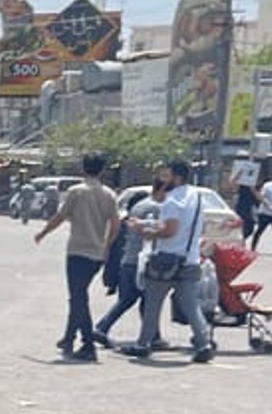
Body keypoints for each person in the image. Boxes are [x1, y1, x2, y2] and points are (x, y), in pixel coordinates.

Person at [121, 160, 214, 364]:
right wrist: (148, 223)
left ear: (176, 177)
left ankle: (143, 344)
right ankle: (203, 344)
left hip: (166, 260)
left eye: (166, 176)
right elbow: (186, 226)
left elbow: (169, 230)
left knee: (153, 303)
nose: (163, 180)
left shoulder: (172, 201)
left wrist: (145, 231)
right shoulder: (197, 197)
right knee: (191, 306)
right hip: (190, 259)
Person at [33, 152, 117, 361]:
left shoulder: (77, 192)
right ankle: (69, 338)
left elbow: (60, 217)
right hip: (97, 253)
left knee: (78, 298)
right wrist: (106, 244)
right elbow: (115, 224)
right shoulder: (109, 194)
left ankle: (88, 344)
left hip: (78, 250)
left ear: (83, 168)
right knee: (78, 296)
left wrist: (43, 232)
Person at [95, 173, 170, 350]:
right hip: (141, 261)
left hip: (129, 259)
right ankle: (102, 327)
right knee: (141, 299)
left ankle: (153, 336)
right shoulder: (155, 208)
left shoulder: (139, 205)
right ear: (161, 189)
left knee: (136, 299)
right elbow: (153, 232)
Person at [230, 153, 260, 238]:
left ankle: (242, 239)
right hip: (241, 206)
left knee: (250, 227)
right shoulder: (241, 185)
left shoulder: (251, 184)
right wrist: (240, 173)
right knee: (240, 225)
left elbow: (256, 194)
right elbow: (233, 183)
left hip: (249, 207)